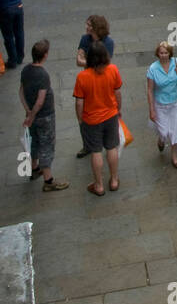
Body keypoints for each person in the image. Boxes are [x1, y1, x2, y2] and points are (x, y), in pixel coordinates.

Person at [73, 38, 123, 196]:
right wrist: (118, 109)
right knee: (111, 147)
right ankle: (114, 180)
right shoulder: (113, 70)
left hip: (91, 119)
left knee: (95, 151)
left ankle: (99, 185)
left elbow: (79, 102)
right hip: (110, 115)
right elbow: (117, 92)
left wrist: (80, 119)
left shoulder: (83, 77)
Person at [21, 40, 68, 191]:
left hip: (31, 115)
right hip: (44, 116)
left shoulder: (26, 70)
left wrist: (28, 111)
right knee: (46, 145)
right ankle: (48, 180)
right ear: (45, 55)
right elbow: (41, 100)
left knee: (34, 142)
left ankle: (34, 169)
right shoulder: (43, 75)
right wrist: (33, 114)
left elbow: (21, 91)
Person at [147, 41, 177, 168]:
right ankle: (161, 140)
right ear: (157, 54)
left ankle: (174, 154)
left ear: (170, 54)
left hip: (176, 102)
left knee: (175, 130)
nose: (164, 55)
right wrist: (151, 109)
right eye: (161, 53)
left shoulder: (176, 62)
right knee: (163, 131)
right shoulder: (152, 69)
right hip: (160, 104)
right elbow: (149, 90)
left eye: (166, 53)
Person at [0, 0, 25, 70]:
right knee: (19, 33)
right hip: (18, 8)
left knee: (9, 36)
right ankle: (20, 57)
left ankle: (12, 60)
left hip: (5, 12)